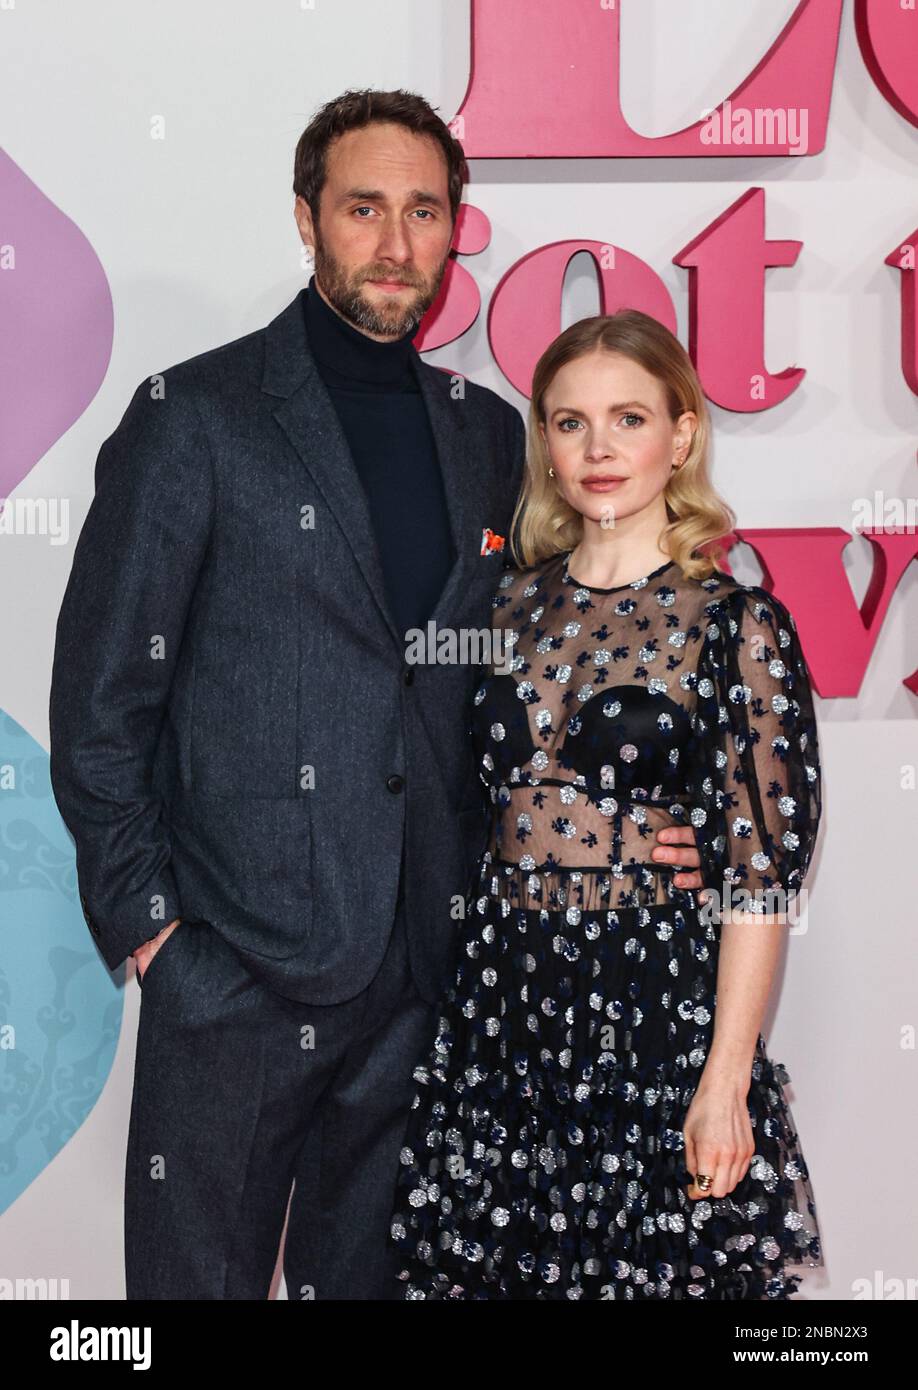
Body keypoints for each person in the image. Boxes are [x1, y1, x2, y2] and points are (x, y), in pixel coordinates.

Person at [47, 88, 707, 1300]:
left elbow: (532, 689)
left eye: (424, 211)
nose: (397, 244)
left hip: (424, 974)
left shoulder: (490, 437)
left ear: (456, 232)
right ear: (308, 221)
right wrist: (158, 938)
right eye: (365, 209)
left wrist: (632, 828)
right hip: (232, 972)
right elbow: (101, 705)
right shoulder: (193, 418)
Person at [389, 309, 824, 1300]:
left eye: (628, 418)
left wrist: (725, 1078)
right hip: (500, 1020)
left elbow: (761, 874)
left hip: (655, 1017)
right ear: (543, 438)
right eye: (569, 421)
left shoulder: (733, 623)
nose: (598, 449)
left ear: (681, 435)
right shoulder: (498, 607)